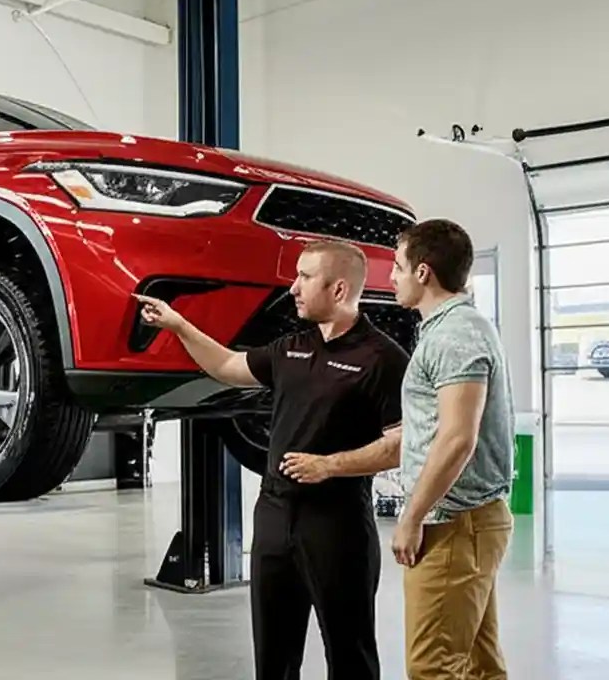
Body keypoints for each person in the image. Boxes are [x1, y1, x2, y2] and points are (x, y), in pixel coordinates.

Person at [134, 240, 410, 680]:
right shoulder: (291, 348)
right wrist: (179, 325)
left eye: (305, 276)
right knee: (274, 654)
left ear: (338, 290)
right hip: (275, 516)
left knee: (350, 653)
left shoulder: (382, 359)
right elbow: (225, 365)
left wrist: (330, 466)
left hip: (336, 524)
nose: (294, 287)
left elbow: (400, 446)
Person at [280, 218, 515, 679]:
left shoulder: (454, 335)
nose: (392, 278)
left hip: (451, 523)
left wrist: (411, 517)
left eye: (400, 268)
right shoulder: (450, 329)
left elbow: (456, 437)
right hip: (469, 522)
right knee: (479, 665)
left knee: (433, 666)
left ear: (424, 273)